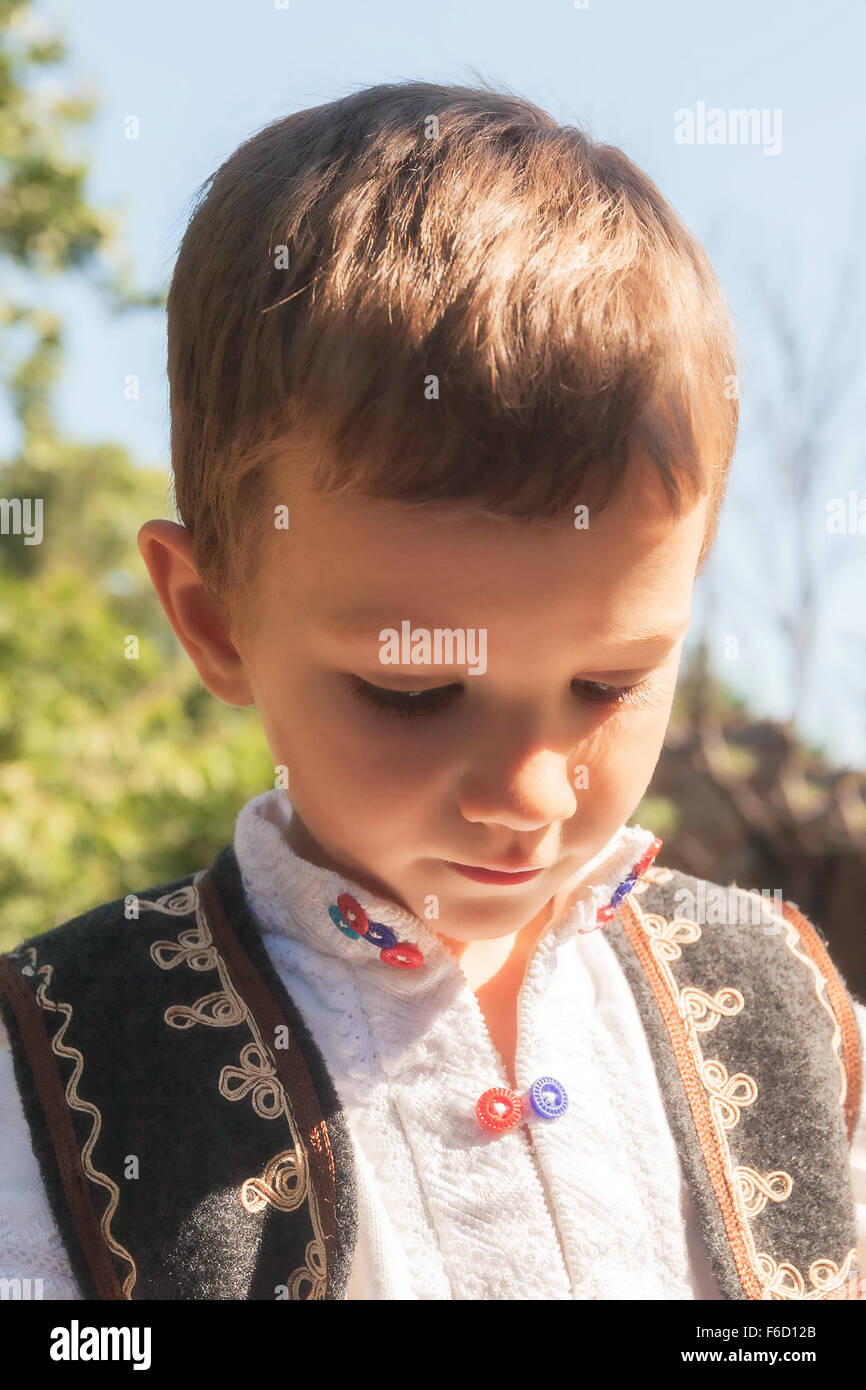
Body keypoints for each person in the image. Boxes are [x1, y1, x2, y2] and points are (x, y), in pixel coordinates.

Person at [1, 80, 863, 1302]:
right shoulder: (65, 1067)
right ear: (211, 616)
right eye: (410, 690)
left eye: (607, 682)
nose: (526, 793)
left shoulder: (788, 1009)